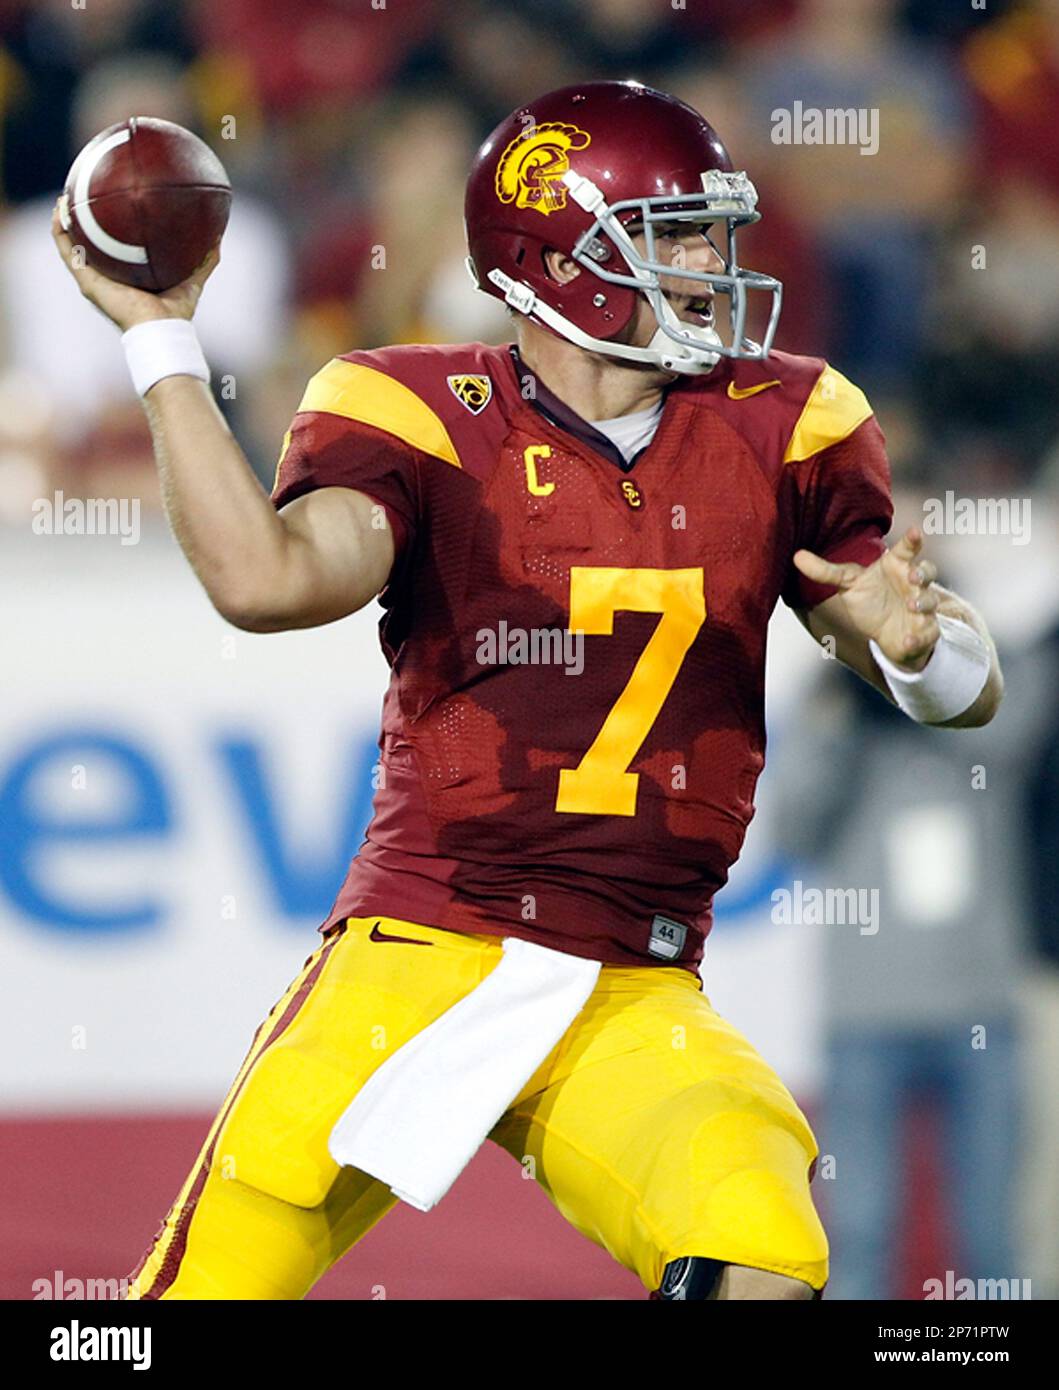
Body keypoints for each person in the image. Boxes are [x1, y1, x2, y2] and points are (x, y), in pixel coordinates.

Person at [53, 80, 1003, 1302]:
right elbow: (264, 578)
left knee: (765, 1243)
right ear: (556, 255)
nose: (715, 260)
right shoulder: (418, 407)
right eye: (673, 233)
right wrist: (159, 336)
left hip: (632, 979)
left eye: (713, 227)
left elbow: (958, 690)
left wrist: (915, 649)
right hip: (422, 950)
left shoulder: (788, 421)